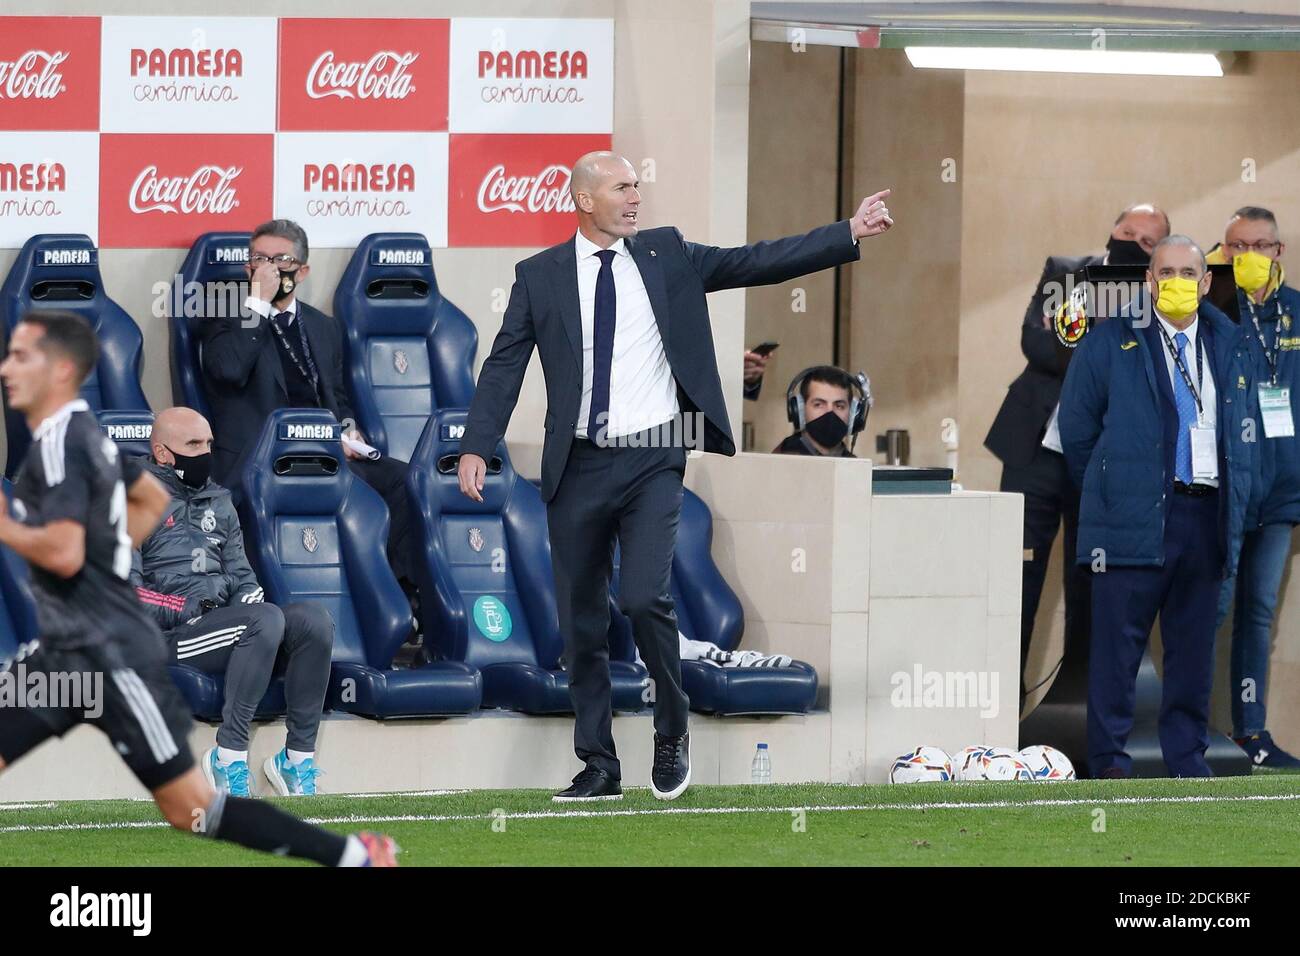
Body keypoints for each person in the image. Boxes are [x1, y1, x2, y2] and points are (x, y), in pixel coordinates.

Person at [457, 150, 893, 802]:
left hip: (654, 456)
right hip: (575, 462)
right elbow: (503, 366)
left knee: (641, 598)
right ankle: (599, 765)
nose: (636, 197)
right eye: (622, 188)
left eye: (638, 186)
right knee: (582, 626)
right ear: (584, 199)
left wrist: (846, 232)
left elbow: (758, 261)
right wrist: (477, 444)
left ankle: (671, 729)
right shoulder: (539, 276)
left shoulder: (669, 256)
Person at [0, 311, 395, 865]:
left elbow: (78, 547)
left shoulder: (85, 449)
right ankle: (348, 854)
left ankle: (348, 854)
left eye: (22, 357)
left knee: (193, 809)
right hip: (67, 654)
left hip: (113, 661)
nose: (8, 369)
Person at [1059, 236, 1255, 778]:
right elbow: (1076, 432)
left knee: (1193, 656)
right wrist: (1111, 488)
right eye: (1164, 272)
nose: (1176, 283)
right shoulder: (1109, 340)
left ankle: (1189, 762)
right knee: (1116, 655)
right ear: (1148, 281)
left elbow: (1247, 434)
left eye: (1187, 273)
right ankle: (1109, 766)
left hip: (1205, 516)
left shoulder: (1231, 342)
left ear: (1206, 281)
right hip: (1131, 517)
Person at [985, 203, 1170, 704]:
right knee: (1018, 572)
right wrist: (1095, 349)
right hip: (1035, 451)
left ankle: (1076, 705)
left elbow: (1136, 368)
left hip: (1097, 461)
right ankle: (1002, 700)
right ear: (1111, 230)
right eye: (1127, 231)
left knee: (1087, 578)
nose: (1132, 242)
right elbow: (1035, 343)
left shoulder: (1155, 301)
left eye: (1147, 241)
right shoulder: (1067, 273)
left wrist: (1081, 344)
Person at [198, 219, 416, 592]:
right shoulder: (224, 314)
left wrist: (347, 428)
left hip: (326, 453)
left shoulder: (323, 326)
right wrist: (257, 303)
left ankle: (390, 592)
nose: (267, 268)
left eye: (280, 259)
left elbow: (337, 396)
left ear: (302, 270)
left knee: (406, 481)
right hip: (259, 459)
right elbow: (229, 370)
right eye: (258, 258)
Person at [131, 406, 335, 796]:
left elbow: (242, 576)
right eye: (193, 443)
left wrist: (248, 600)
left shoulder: (219, 500)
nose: (205, 451)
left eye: (208, 442)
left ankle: (296, 761)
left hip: (225, 626)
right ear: (161, 453)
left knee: (313, 620)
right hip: (169, 635)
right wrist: (188, 609)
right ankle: (227, 757)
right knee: (262, 621)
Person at [1206, 207, 1300, 767]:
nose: (1248, 257)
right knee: (1210, 610)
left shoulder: (1297, 311)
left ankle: (1252, 734)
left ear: (1278, 252)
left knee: (1258, 613)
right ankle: (1191, 730)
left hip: (1283, 489)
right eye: (1236, 247)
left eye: (1259, 246)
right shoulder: (1214, 309)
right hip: (1227, 488)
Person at [772, 365, 859, 457]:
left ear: (853, 414)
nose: (830, 412)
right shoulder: (779, 460)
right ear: (800, 410)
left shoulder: (857, 466)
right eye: (818, 404)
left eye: (839, 406)